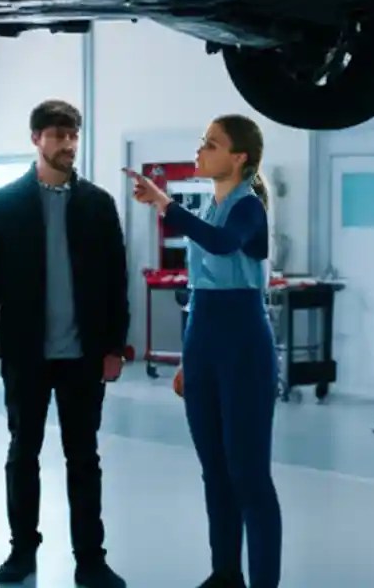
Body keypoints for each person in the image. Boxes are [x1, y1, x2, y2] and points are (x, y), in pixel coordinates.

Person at [0, 99, 130, 588]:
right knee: (24, 454)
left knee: (84, 458)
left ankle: (91, 558)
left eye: (73, 135)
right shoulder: (4, 205)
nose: (67, 144)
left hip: (84, 356)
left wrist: (114, 346)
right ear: (36, 139)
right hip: (25, 353)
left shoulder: (98, 204)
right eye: (58, 135)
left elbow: (115, 280)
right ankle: (22, 551)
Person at [125, 114, 283, 588]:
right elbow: (201, 284)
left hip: (243, 345)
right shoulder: (210, 205)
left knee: (249, 477)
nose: (201, 150)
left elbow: (219, 245)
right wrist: (189, 362)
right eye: (201, 142)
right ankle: (225, 575)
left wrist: (164, 204)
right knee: (215, 472)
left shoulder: (247, 207)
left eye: (211, 145)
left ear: (239, 158)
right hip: (205, 344)